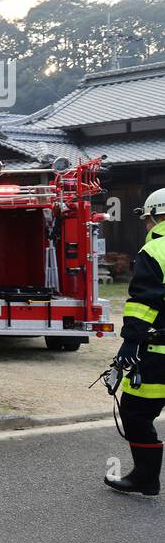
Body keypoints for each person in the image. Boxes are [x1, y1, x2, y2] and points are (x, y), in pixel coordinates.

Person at [106, 187, 165, 496]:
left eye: (146, 220)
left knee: (136, 412)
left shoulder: (156, 251)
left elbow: (144, 302)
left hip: (159, 354)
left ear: (154, 217)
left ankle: (145, 477)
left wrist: (130, 343)